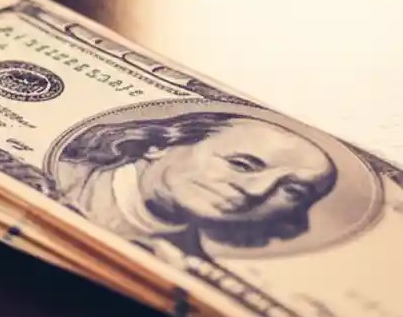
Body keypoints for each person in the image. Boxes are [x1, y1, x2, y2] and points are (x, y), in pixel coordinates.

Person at [56, 112, 337, 262]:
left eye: (293, 191)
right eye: (242, 164)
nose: (257, 191)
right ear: (159, 146)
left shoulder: (189, 266)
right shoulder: (62, 177)